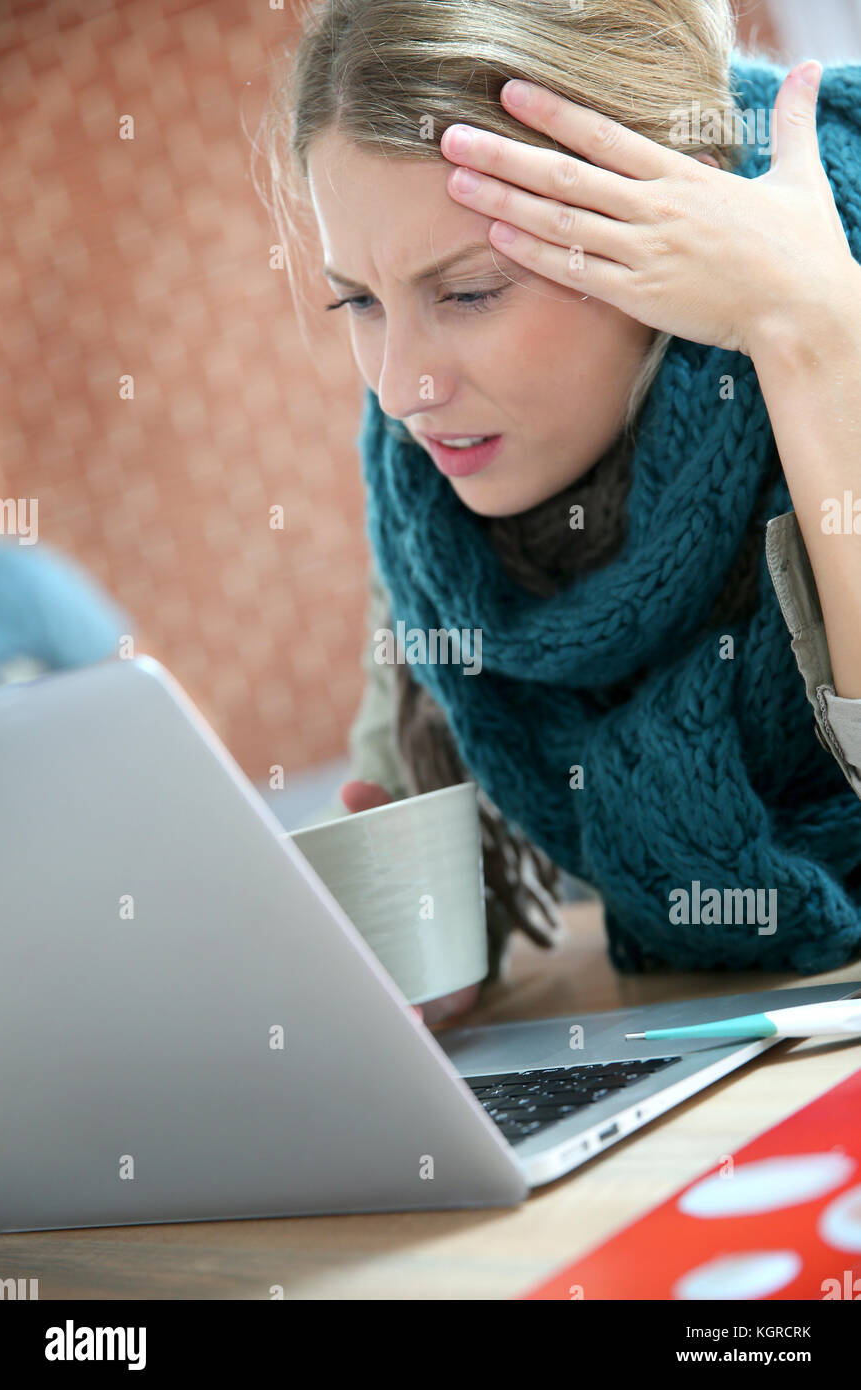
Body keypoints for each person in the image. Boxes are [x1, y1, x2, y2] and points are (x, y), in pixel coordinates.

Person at [256, 0, 861, 1027]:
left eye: (469, 293)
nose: (400, 388)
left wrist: (811, 329)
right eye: (356, 301)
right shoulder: (426, 496)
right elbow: (410, 819)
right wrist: (412, 933)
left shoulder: (827, 297)